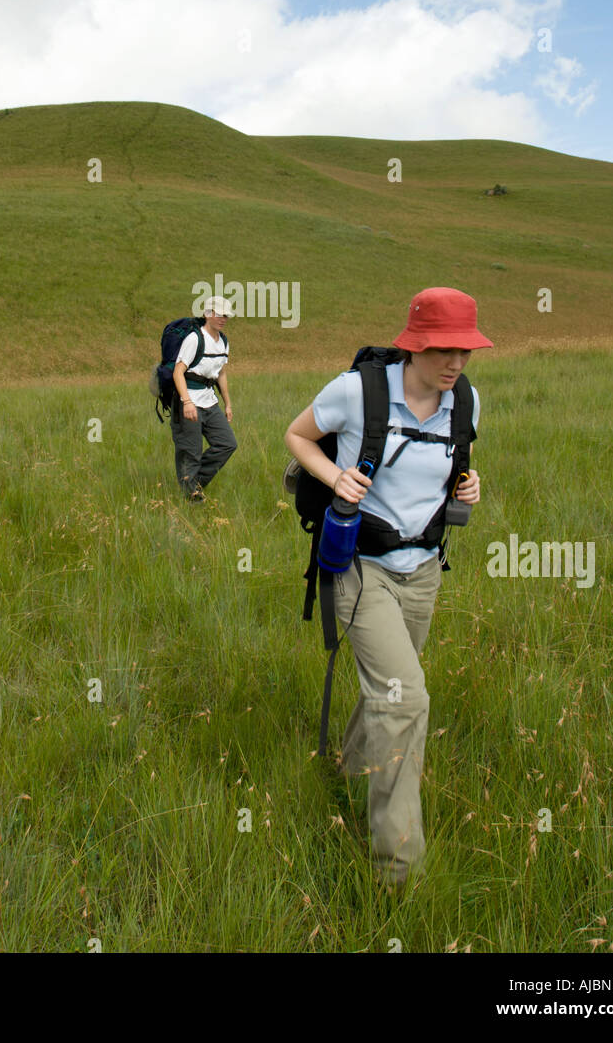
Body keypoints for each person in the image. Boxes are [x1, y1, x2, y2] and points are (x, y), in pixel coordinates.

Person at [284, 287, 493, 888]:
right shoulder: (357, 392)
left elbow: (453, 466)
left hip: (425, 570)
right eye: (444, 351)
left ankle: (347, 768)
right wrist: (335, 476)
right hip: (360, 567)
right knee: (405, 701)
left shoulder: (467, 403)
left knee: (391, 689)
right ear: (414, 344)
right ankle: (398, 876)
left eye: (466, 352)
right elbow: (296, 437)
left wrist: (468, 486)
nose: (456, 364)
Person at [171, 296, 237, 502]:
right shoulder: (194, 339)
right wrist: (187, 402)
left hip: (210, 401)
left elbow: (221, 374)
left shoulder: (223, 341)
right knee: (191, 451)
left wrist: (227, 404)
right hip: (189, 401)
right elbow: (178, 372)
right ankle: (192, 497)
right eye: (218, 314)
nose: (223, 318)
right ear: (207, 314)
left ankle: (194, 483)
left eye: (225, 315)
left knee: (227, 443)